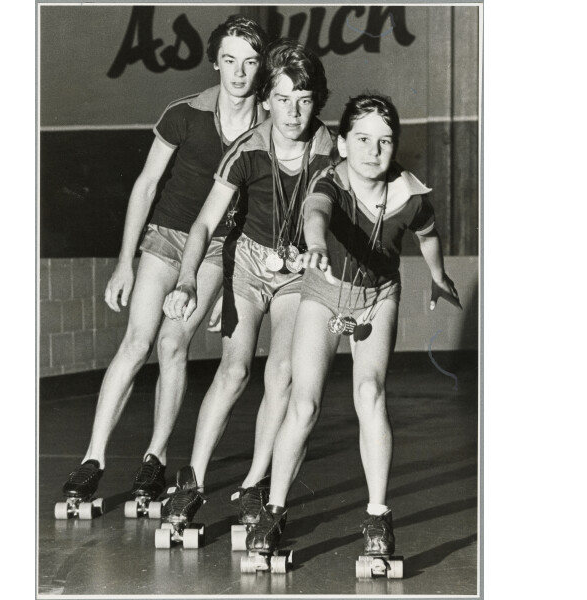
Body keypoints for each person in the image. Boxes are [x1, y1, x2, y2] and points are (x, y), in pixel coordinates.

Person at [57, 16, 269, 519]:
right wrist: (124, 263)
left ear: (261, 68)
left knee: (173, 343)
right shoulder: (185, 113)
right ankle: (93, 458)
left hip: (219, 247)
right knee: (138, 340)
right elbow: (146, 186)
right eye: (230, 60)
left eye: (250, 61)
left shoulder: (269, 125)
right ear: (216, 60)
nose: (239, 72)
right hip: (165, 237)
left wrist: (227, 290)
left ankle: (155, 457)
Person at [246, 94, 461, 566]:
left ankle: (379, 515)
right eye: (361, 139)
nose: (373, 149)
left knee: (369, 392)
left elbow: (427, 233)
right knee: (303, 404)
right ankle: (274, 510)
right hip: (324, 291)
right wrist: (317, 245)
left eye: (384, 140)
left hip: (377, 296)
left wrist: (439, 274)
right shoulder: (330, 180)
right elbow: (315, 214)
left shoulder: (409, 193)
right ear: (342, 144)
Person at [156, 38, 334, 542]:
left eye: (303, 101)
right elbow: (204, 222)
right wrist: (189, 278)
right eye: (282, 99)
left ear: (316, 100)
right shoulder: (249, 147)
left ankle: (255, 483)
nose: (293, 112)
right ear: (267, 98)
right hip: (249, 264)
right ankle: (191, 481)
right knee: (233, 371)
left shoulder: (328, 150)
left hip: (300, 271)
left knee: (280, 372)